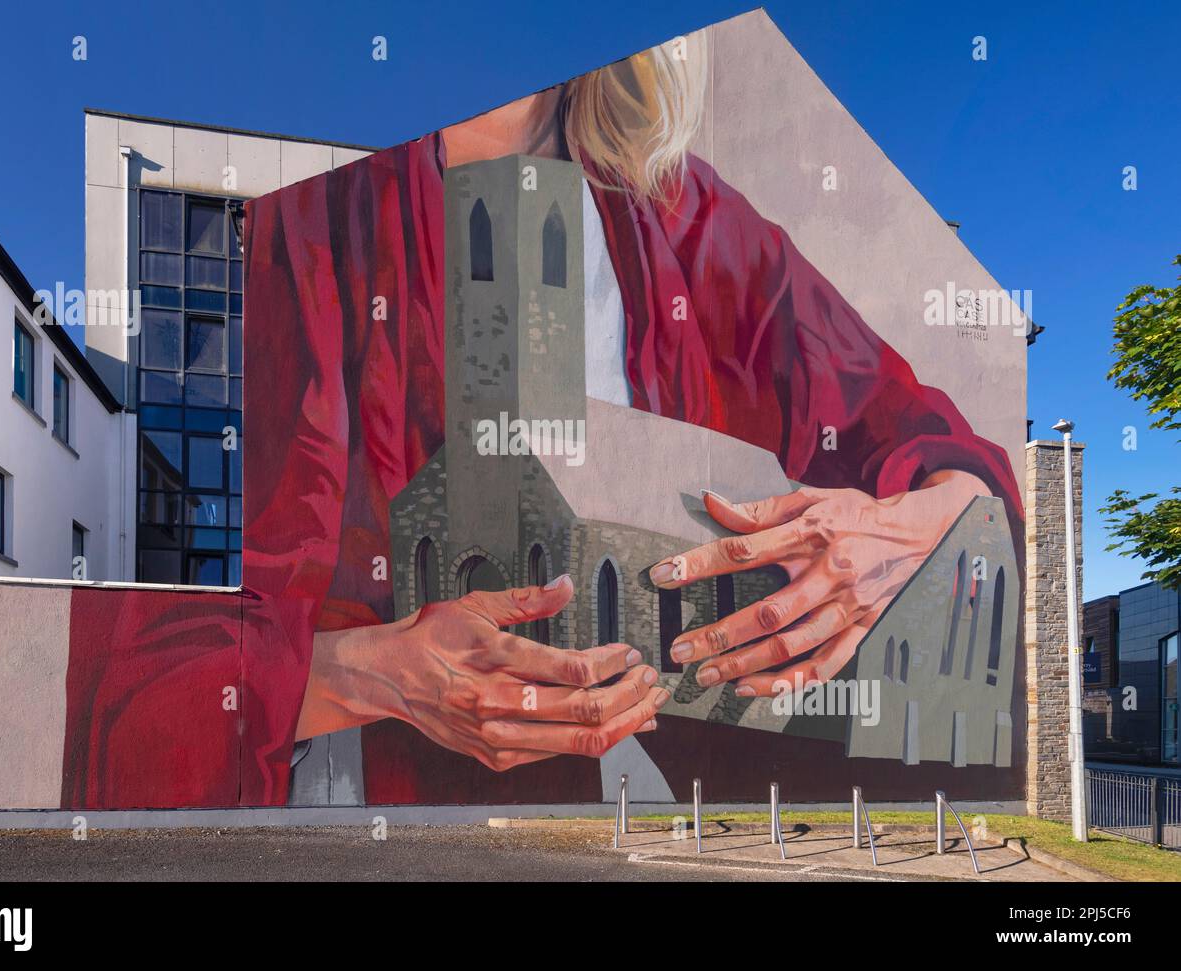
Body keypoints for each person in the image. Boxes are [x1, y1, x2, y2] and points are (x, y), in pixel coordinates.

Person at [62, 38, 1022, 809]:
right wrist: (369, 672)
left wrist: (920, 526)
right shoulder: (314, 188)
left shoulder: (680, 215)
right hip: (369, 810)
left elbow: (927, 440)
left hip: (649, 809)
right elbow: (178, 635)